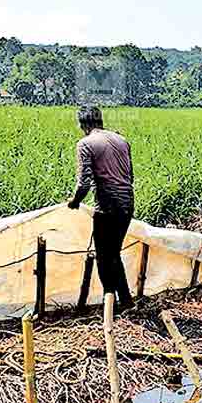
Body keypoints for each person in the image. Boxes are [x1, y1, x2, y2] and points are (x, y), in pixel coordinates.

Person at [68, 106, 136, 311]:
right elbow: (130, 176)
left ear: (83, 125)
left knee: (104, 257)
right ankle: (125, 301)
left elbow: (84, 183)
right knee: (113, 253)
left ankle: (111, 304)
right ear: (100, 121)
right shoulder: (121, 140)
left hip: (108, 205)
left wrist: (75, 201)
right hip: (127, 202)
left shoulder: (85, 144)